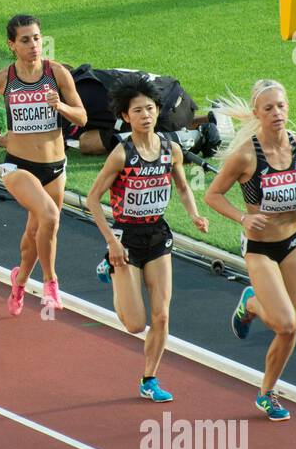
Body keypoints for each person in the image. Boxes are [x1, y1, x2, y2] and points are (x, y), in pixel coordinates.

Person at [204, 79, 296, 422]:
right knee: (285, 324)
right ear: (257, 114)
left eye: (282, 106)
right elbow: (212, 195)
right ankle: (252, 302)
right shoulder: (245, 156)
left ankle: (266, 392)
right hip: (259, 248)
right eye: (269, 108)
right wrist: (243, 217)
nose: (277, 113)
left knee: (291, 328)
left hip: (292, 244)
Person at [84, 78, 209, 402]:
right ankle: (109, 269)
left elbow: (182, 187)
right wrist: (111, 242)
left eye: (150, 109)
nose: (145, 115)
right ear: (126, 116)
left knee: (162, 315)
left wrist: (194, 215)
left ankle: (149, 378)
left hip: (158, 235)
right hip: (125, 240)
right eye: (137, 111)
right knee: (135, 325)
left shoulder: (172, 150)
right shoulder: (121, 155)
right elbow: (93, 199)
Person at [0, 15, 86, 314]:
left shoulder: (58, 74)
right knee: (49, 216)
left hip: (55, 168)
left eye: (36, 38)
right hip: (18, 165)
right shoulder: (4, 79)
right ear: (12, 44)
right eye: (25, 40)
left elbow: (82, 117)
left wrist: (60, 105)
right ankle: (51, 284)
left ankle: (20, 280)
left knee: (35, 235)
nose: (33, 45)